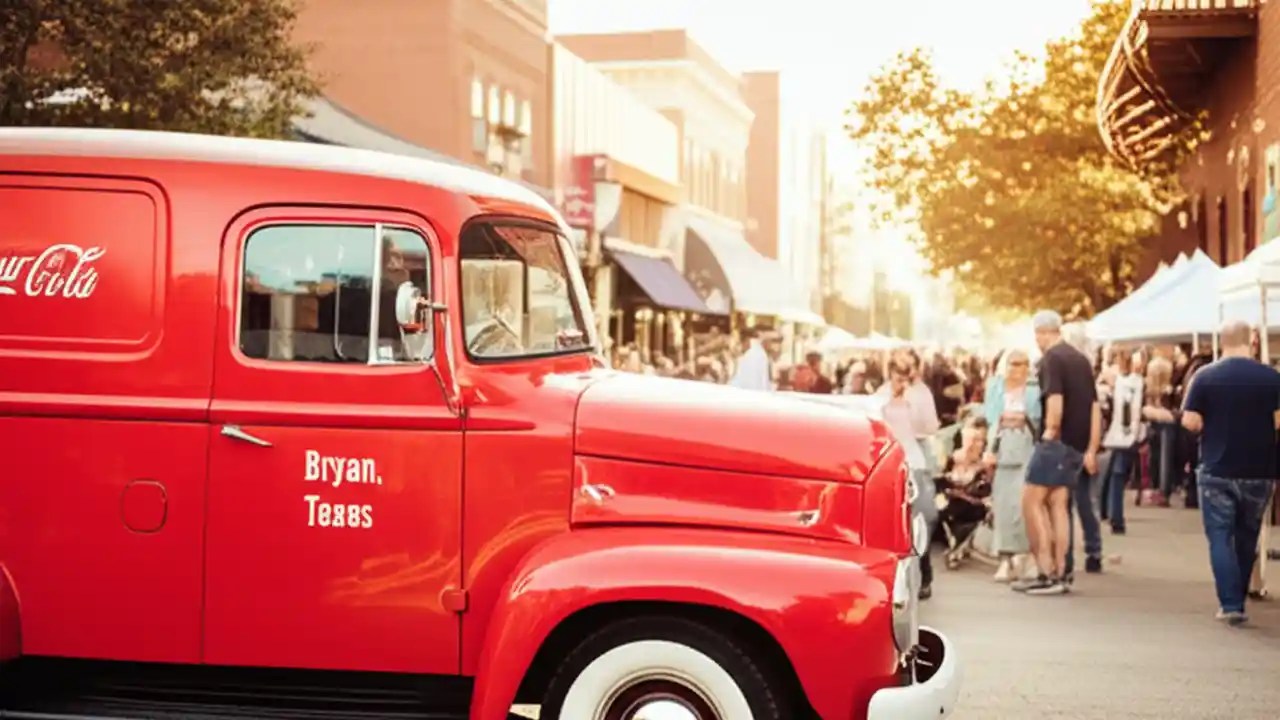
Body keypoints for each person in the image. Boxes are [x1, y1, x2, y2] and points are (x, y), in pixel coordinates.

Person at [1181, 320, 1280, 626]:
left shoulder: (1205, 376)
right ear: (1251, 341)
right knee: (1247, 536)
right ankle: (1239, 592)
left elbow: (1190, 421)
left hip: (1216, 468)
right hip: (1259, 469)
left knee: (1220, 537)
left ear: (1221, 342)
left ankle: (1231, 603)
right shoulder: (1272, 378)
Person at [1015, 310, 1100, 596]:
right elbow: (1094, 407)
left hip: (1057, 442)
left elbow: (1055, 403)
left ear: (1042, 332)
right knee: (1058, 505)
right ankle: (1062, 572)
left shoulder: (1051, 359)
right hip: (1076, 444)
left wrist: (1050, 434)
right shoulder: (1081, 360)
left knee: (1031, 502)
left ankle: (1046, 570)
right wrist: (1090, 446)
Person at [878, 358, 939, 600]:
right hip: (891, 463)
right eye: (897, 374)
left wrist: (912, 402)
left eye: (906, 374)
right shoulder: (880, 397)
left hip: (914, 460)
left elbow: (930, 426)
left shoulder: (919, 395)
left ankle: (925, 571)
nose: (901, 380)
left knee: (923, 517)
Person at [983, 348, 1040, 583]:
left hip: (1027, 448)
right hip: (1002, 447)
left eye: (1023, 364)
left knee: (1024, 505)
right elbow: (991, 419)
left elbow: (1036, 418)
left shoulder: (1034, 391)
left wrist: (1020, 419)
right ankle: (1005, 558)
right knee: (1004, 505)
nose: (1018, 369)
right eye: (1013, 364)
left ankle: (1026, 556)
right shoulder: (995, 388)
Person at [1100, 350, 1144, 535]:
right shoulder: (1137, 382)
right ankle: (1114, 516)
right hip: (1128, 433)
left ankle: (1110, 513)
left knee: (1113, 474)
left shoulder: (1115, 381)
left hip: (1116, 433)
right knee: (1117, 474)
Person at [729, 327, 773, 391]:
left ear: (746, 340)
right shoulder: (761, 354)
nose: (740, 347)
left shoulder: (749, 356)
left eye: (739, 343)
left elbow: (739, 383)